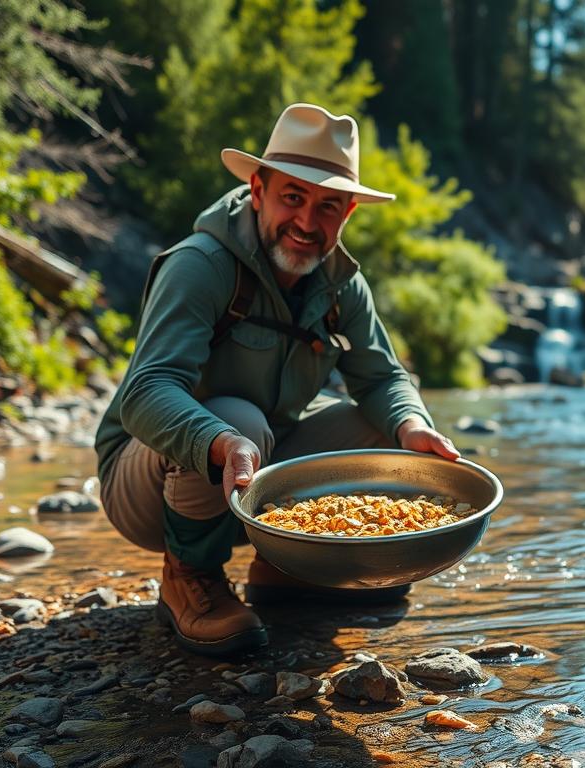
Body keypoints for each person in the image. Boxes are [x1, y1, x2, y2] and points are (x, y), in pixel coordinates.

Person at [93, 103, 459, 655]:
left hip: (259, 460)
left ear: (348, 213)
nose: (307, 223)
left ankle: (286, 568)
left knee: (383, 434)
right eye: (293, 197)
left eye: (327, 206)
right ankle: (189, 576)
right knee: (238, 421)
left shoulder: (341, 283)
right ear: (258, 190)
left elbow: (382, 378)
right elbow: (145, 393)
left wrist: (413, 426)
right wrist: (220, 441)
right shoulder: (201, 264)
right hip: (146, 484)